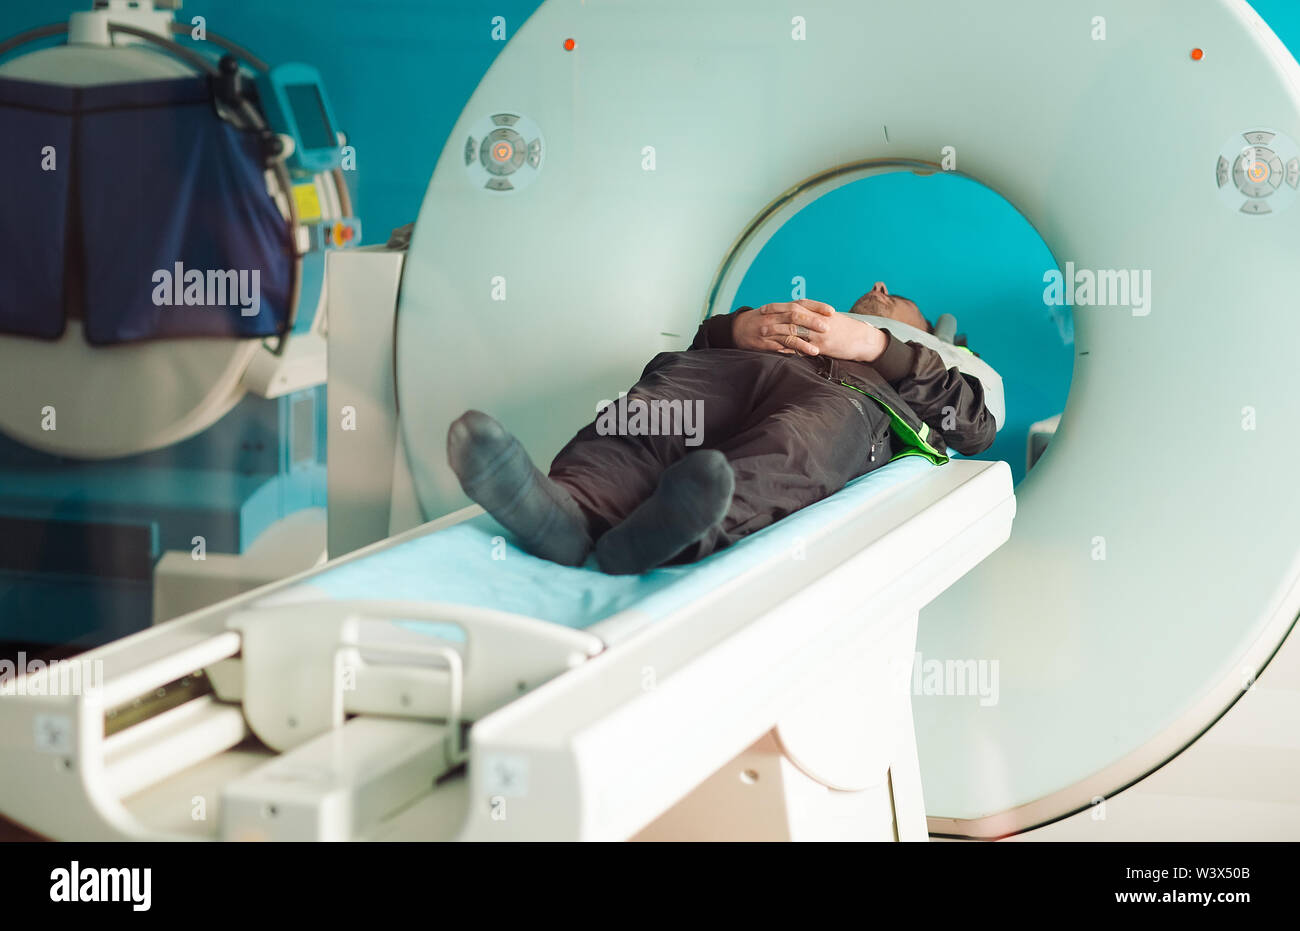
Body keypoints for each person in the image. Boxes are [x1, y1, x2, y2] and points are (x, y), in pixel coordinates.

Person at [446, 282, 996, 575]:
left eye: (897, 298)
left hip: (849, 400)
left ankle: (669, 536)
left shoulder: (944, 358)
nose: (879, 288)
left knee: (794, 447)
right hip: (731, 369)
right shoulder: (805, 305)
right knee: (658, 407)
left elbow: (973, 427)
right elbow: (700, 344)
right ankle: (567, 509)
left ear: (925, 331)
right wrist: (737, 326)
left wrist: (875, 345)